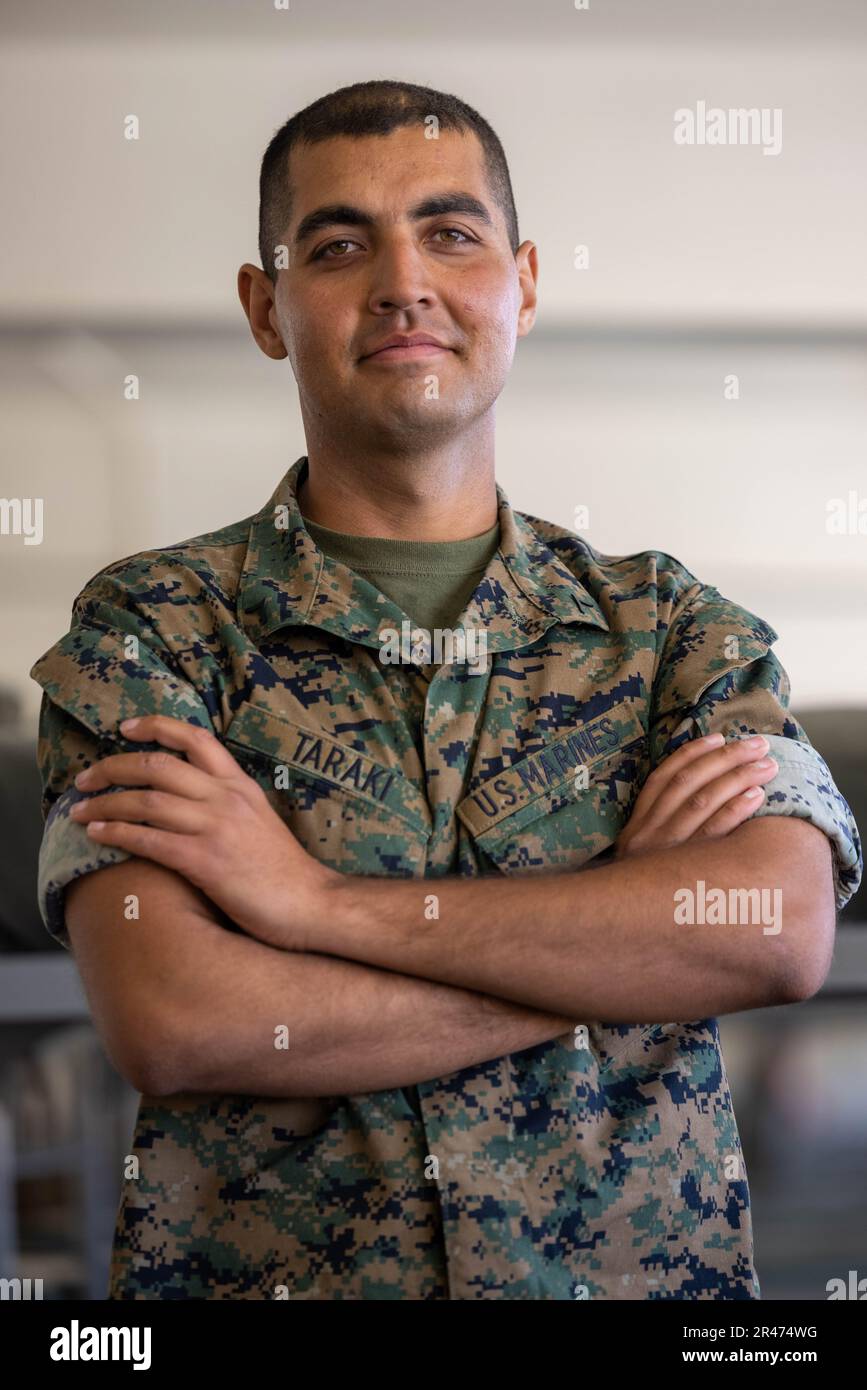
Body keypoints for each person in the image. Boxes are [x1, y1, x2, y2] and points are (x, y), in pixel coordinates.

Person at [30, 79, 862, 1301]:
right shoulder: (155, 633)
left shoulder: (670, 629)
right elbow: (180, 1017)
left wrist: (313, 904)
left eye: (451, 233)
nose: (403, 282)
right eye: (339, 245)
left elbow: (773, 931)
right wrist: (615, 941)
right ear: (265, 308)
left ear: (523, 284)